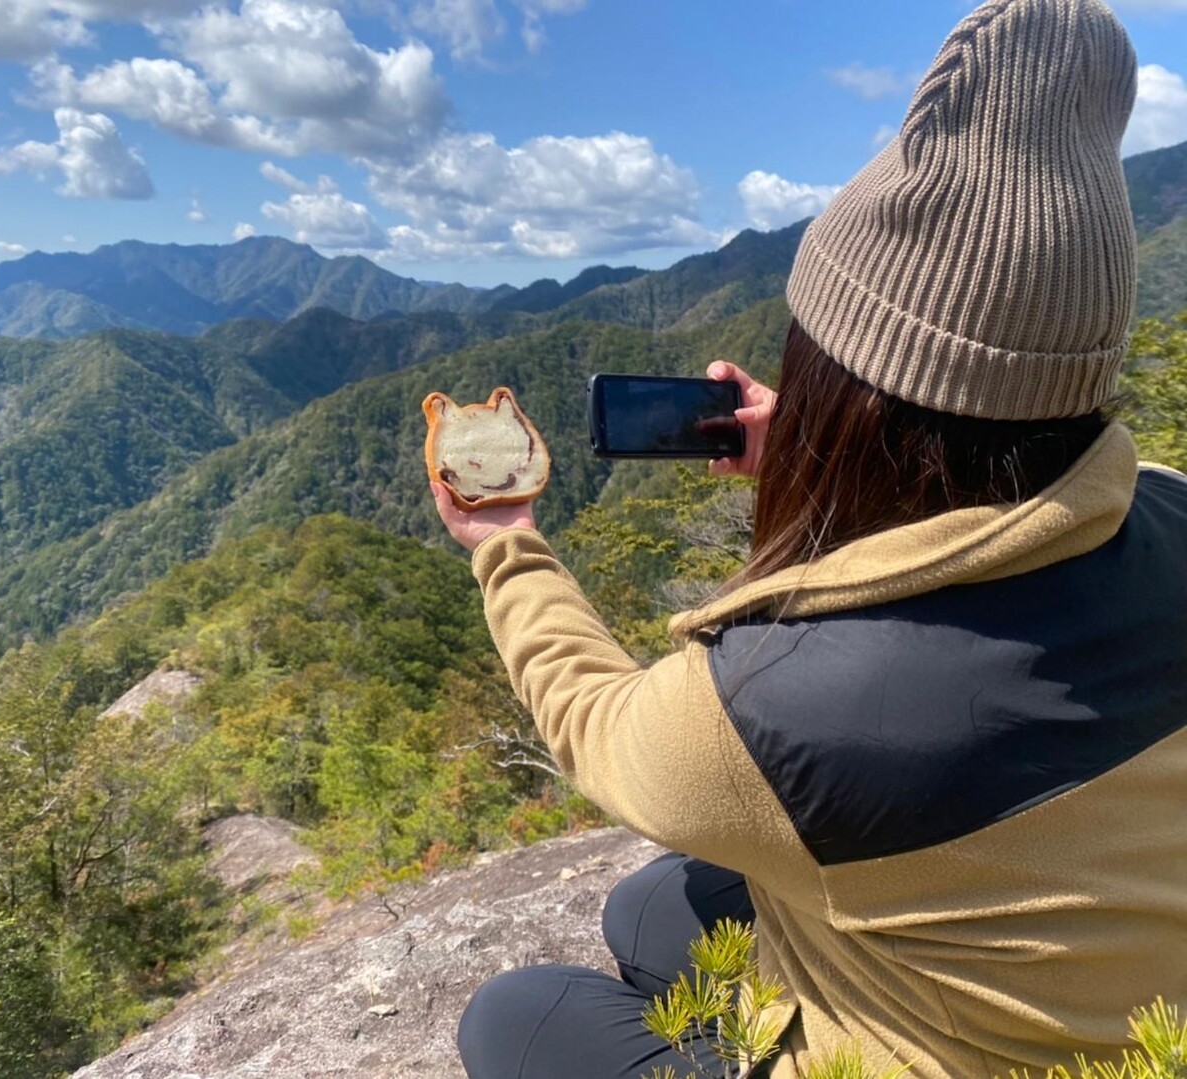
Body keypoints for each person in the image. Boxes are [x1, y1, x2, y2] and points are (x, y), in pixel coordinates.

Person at [429, 1, 1187, 1077]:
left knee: (514, 1016)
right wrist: (827, 458)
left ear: (849, 392)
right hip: (1133, 1018)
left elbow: (592, 718)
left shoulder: (779, 706)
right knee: (654, 906)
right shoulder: (1168, 510)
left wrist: (504, 540)